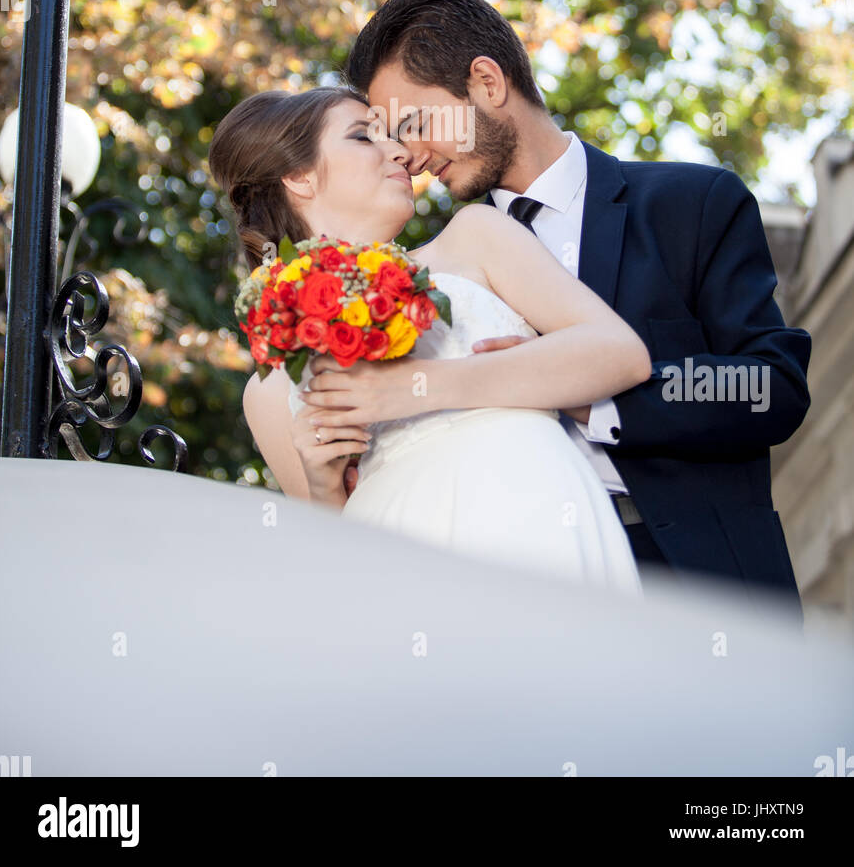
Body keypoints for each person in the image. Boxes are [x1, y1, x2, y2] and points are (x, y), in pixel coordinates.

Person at [342, 0, 812, 616]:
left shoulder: (691, 206)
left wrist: (592, 394)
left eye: (416, 123)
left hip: (699, 582)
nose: (410, 157)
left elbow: (768, 385)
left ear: (487, 81)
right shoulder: (438, 276)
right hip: (524, 600)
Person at [209, 86, 652, 593]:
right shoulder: (270, 390)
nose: (400, 151)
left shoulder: (474, 237)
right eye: (363, 136)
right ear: (299, 176)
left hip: (535, 508)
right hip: (399, 569)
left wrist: (418, 385)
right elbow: (336, 577)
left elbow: (622, 355)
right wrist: (324, 483)